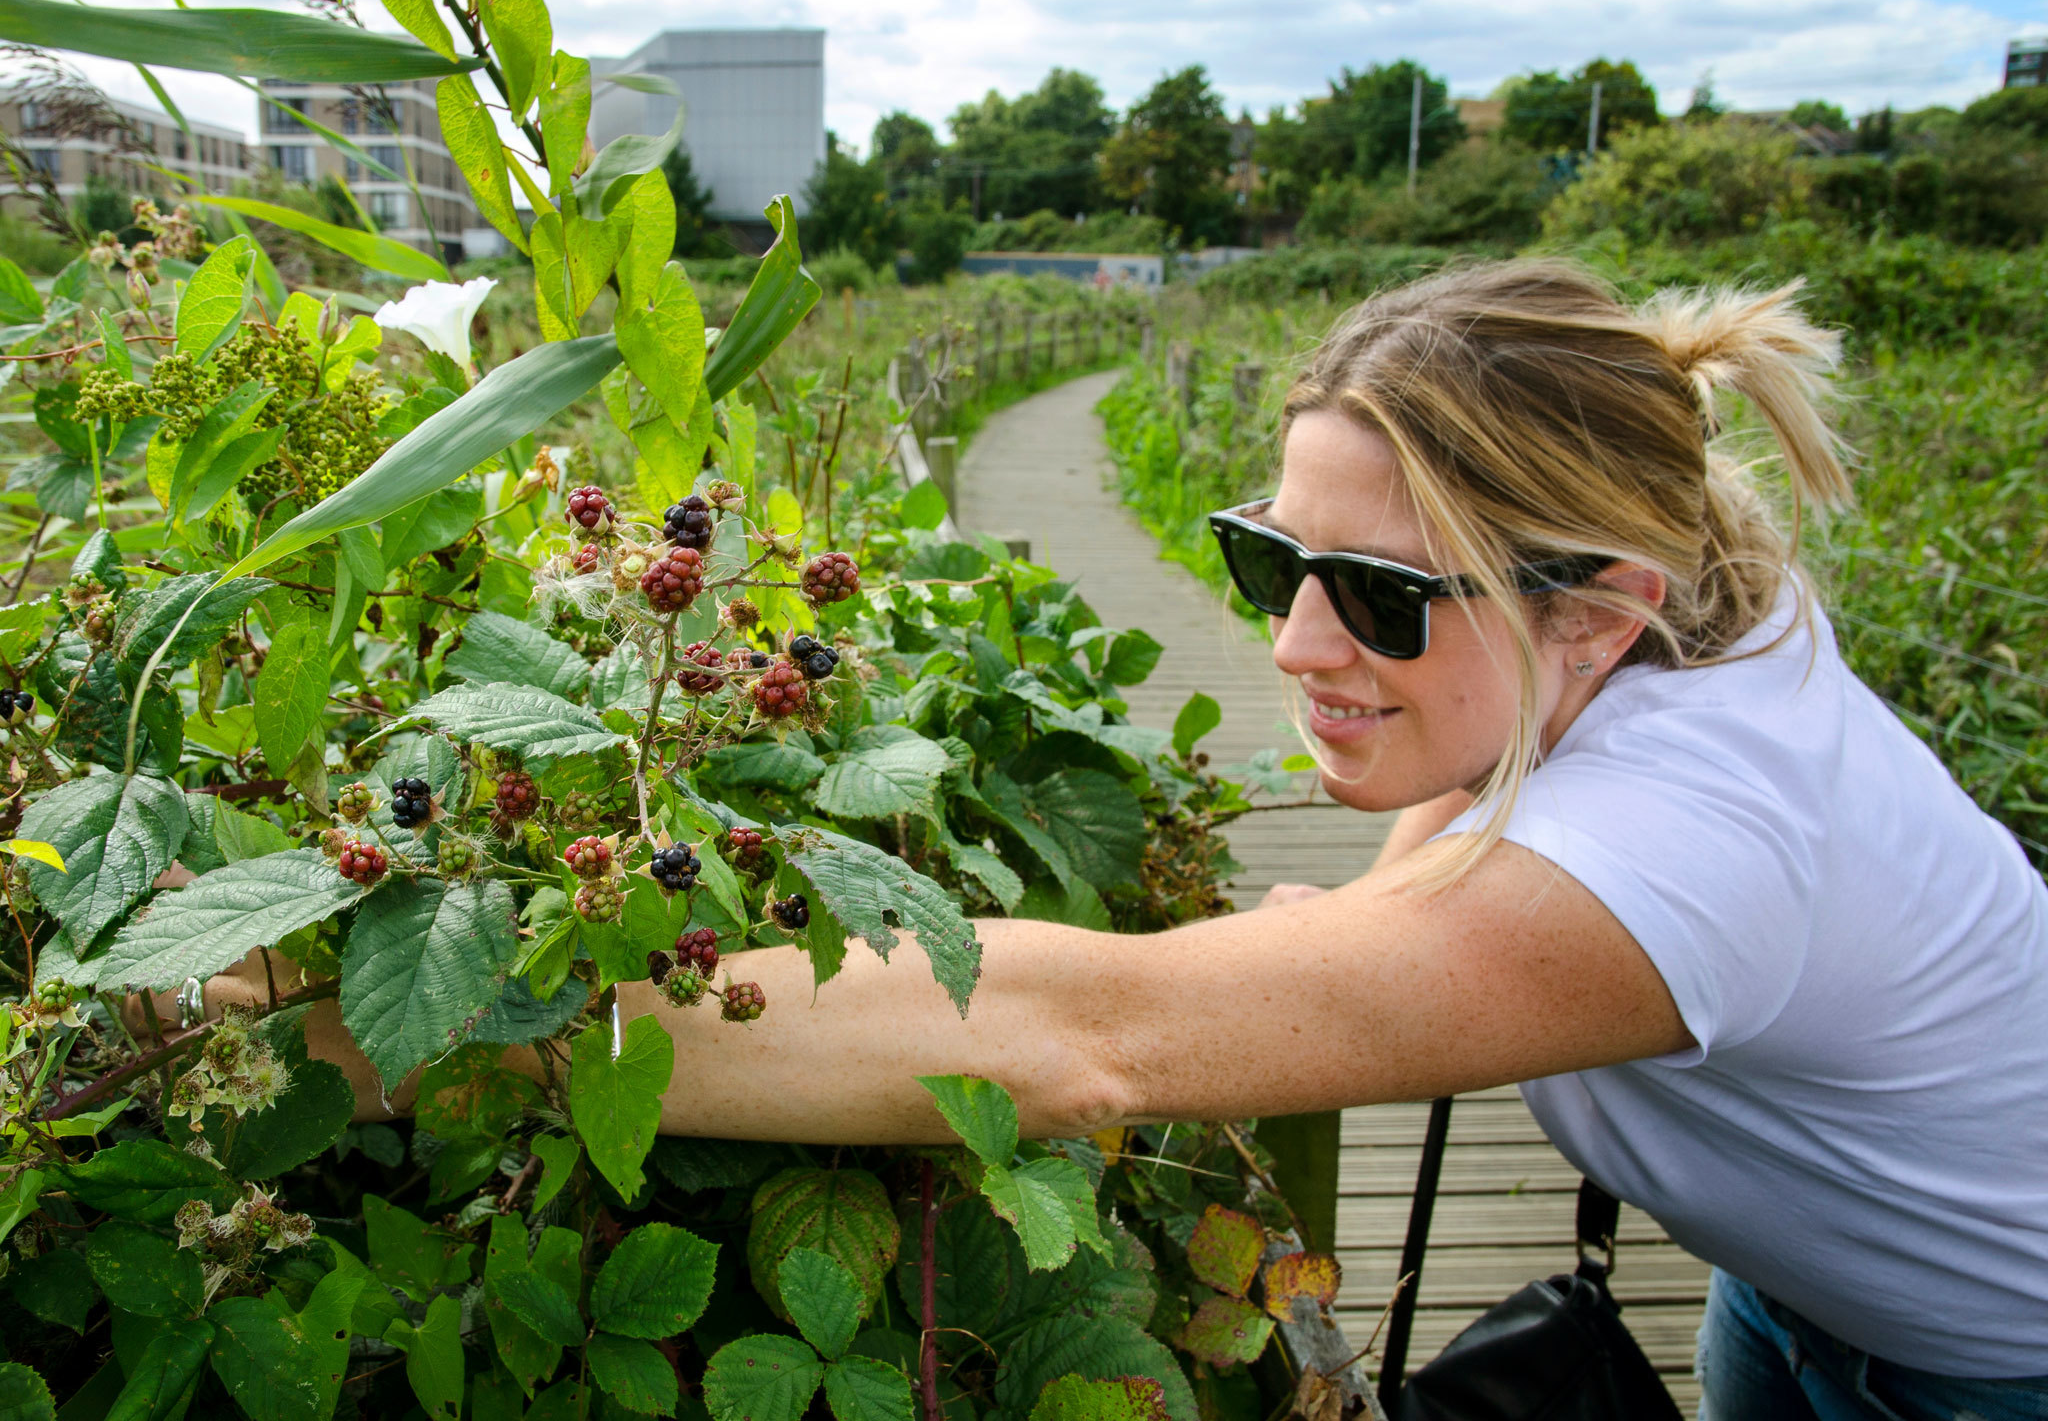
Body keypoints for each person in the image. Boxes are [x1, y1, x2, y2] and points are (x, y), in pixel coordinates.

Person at [207, 261, 2048, 1420]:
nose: (1294, 647)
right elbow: (1460, 854)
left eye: (1385, 602)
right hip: (1803, 1294)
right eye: (1273, 559)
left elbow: (1089, 1042)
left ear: (1598, 610)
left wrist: (413, 1034)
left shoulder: (1702, 843)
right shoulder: (1703, 608)